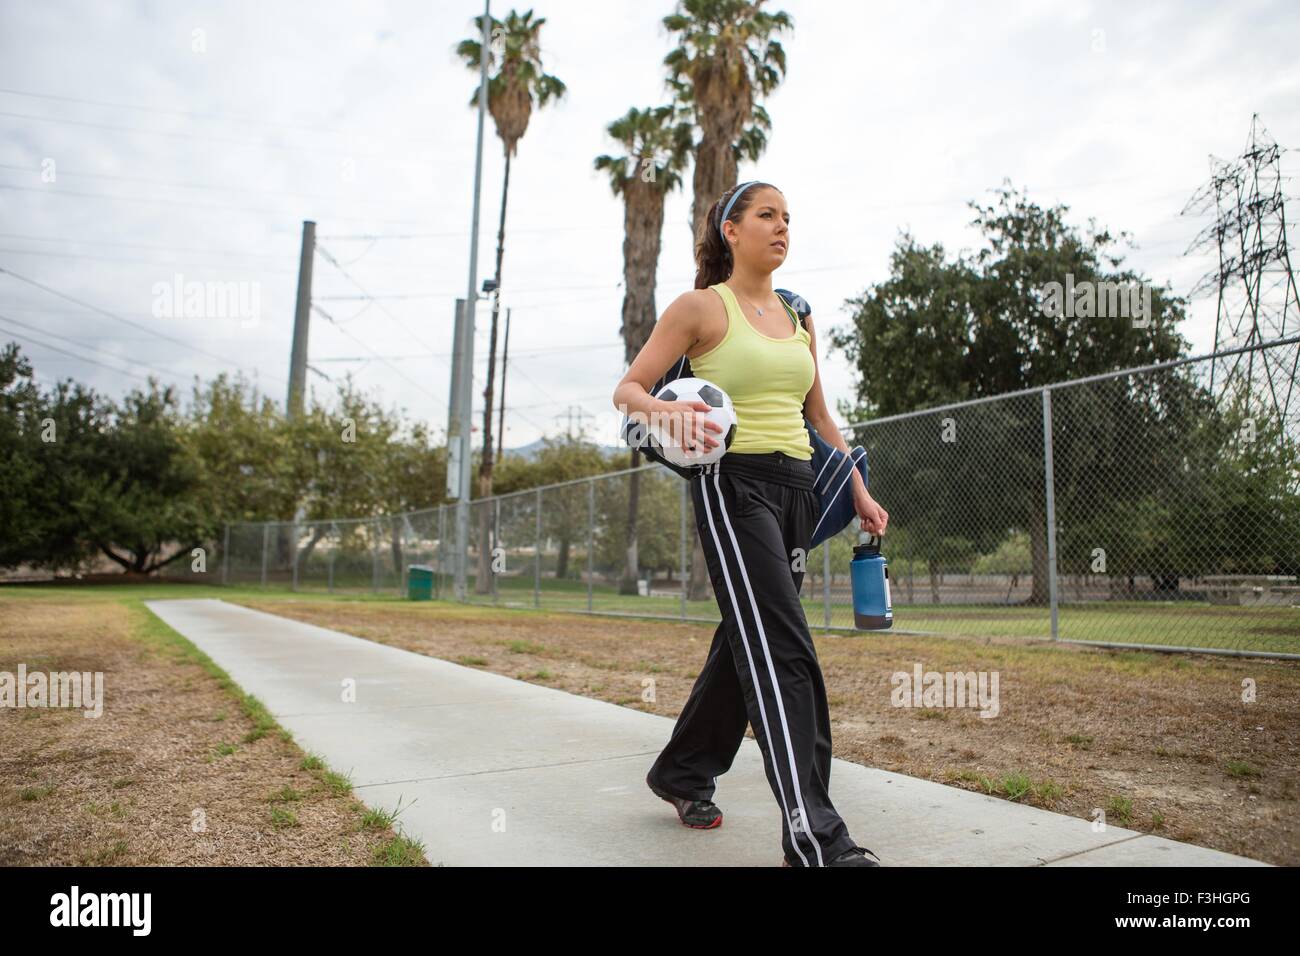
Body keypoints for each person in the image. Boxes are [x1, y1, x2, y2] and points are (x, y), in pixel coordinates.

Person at [612, 180, 890, 867]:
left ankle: (681, 771)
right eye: (766, 215)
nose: (781, 226)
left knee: (746, 644)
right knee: (783, 651)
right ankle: (815, 838)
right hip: (733, 487)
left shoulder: (798, 316)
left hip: (797, 488)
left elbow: (820, 415)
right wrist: (663, 412)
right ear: (730, 230)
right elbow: (629, 390)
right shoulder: (701, 308)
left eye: (788, 217)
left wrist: (855, 483)